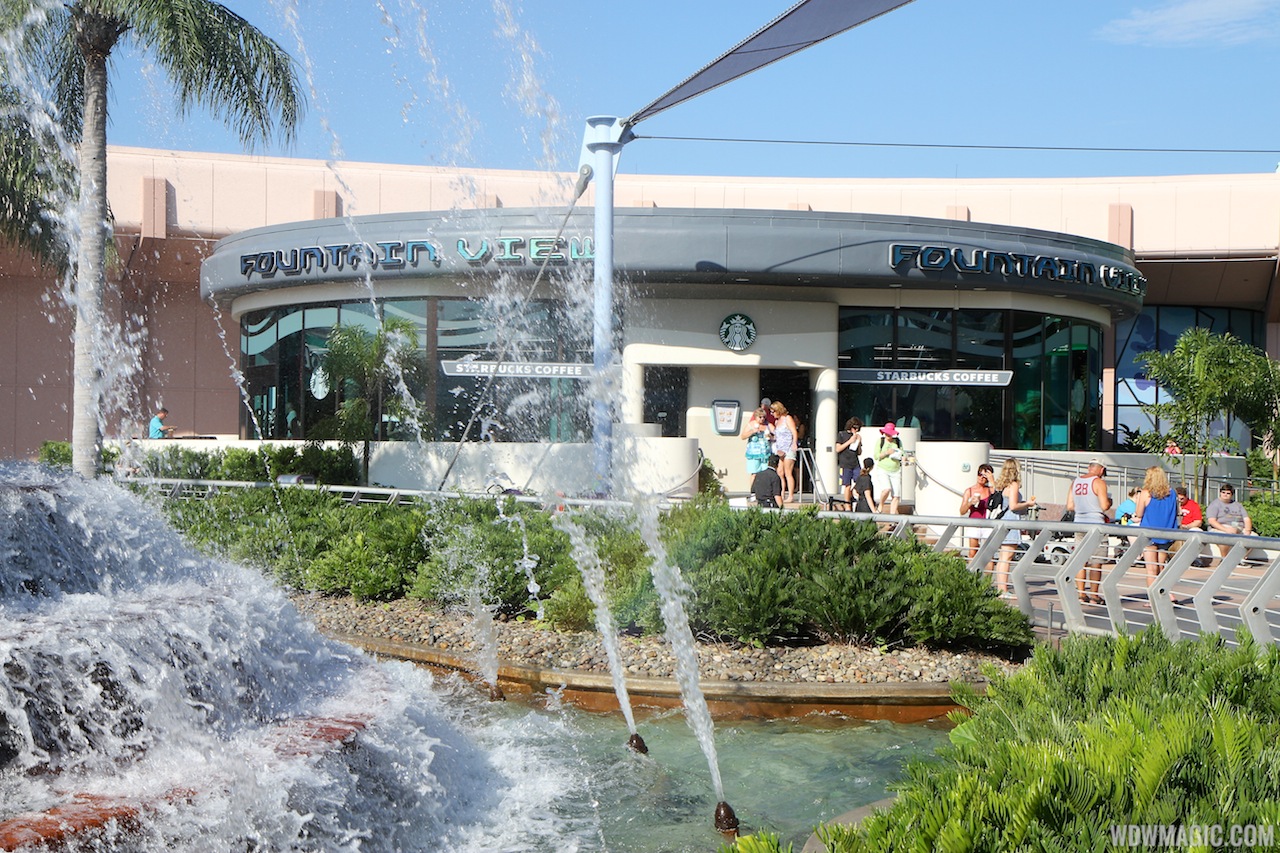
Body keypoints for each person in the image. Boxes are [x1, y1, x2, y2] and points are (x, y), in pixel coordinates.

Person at [1066, 460, 1111, 604]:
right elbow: (1104, 506)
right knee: (1096, 562)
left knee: (1080, 560)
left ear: (1088, 468)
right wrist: (1110, 502)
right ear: (1101, 469)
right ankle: (1094, 595)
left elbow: (1069, 506)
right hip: (1096, 525)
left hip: (1079, 524)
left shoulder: (1075, 482)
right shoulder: (1099, 482)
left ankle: (1081, 593)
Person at [991, 458, 1037, 597]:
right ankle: (1003, 590)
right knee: (1007, 556)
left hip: (1002, 522)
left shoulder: (1002, 485)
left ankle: (1001, 588)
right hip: (1011, 521)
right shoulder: (1014, 484)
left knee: (1002, 557)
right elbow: (1013, 506)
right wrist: (1028, 504)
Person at [1132, 466, 1178, 598]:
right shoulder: (1171, 493)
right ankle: (1168, 594)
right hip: (1166, 532)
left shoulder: (1146, 493)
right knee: (1161, 566)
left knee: (1151, 569)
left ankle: (1153, 598)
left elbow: (1139, 513)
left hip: (1149, 533)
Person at [1206, 483, 1254, 563]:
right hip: (1220, 528)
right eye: (1223, 492)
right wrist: (1226, 529)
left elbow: (1246, 519)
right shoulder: (1214, 505)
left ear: (1231, 495)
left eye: (1228, 493)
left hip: (1239, 528)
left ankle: (1240, 559)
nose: (1225, 495)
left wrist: (1248, 531)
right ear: (1220, 493)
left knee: (1254, 538)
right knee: (1225, 538)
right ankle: (1224, 560)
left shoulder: (1238, 505)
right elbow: (1212, 521)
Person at [958, 464, 994, 561]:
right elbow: (962, 511)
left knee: (988, 553)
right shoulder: (969, 491)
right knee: (973, 552)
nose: (981, 478)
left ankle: (988, 575)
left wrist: (991, 480)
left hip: (988, 524)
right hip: (974, 523)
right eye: (979, 474)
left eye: (984, 476)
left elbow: (999, 491)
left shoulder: (990, 490)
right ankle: (972, 575)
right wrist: (970, 503)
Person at [770, 401, 799, 504]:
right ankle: (781, 492)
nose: (772, 414)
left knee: (788, 472)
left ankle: (790, 495)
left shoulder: (788, 418)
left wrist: (794, 443)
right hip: (781, 449)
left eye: (773, 411)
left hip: (789, 448)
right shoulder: (777, 422)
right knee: (780, 472)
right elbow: (778, 436)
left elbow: (794, 432)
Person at [872, 422, 904, 514]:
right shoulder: (880, 441)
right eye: (886, 433)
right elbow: (876, 455)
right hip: (883, 469)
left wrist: (903, 457)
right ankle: (881, 505)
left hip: (896, 470)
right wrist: (887, 452)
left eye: (890, 433)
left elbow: (902, 453)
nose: (888, 435)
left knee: (896, 495)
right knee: (887, 489)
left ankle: (893, 516)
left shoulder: (898, 442)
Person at [740, 406, 774, 492]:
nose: (762, 419)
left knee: (765, 473)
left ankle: (764, 491)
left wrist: (770, 436)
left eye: (764, 417)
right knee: (754, 473)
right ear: (756, 417)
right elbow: (742, 436)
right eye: (760, 417)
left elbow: (776, 435)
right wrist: (752, 431)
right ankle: (753, 492)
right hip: (754, 453)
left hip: (765, 453)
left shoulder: (768, 425)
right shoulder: (751, 424)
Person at [836, 417, 863, 509]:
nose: (857, 430)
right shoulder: (841, 435)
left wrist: (859, 443)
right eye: (855, 427)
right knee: (847, 484)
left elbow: (859, 452)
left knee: (860, 480)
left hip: (855, 463)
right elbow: (838, 448)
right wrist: (850, 441)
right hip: (845, 463)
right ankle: (847, 504)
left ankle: (850, 496)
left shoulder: (857, 436)